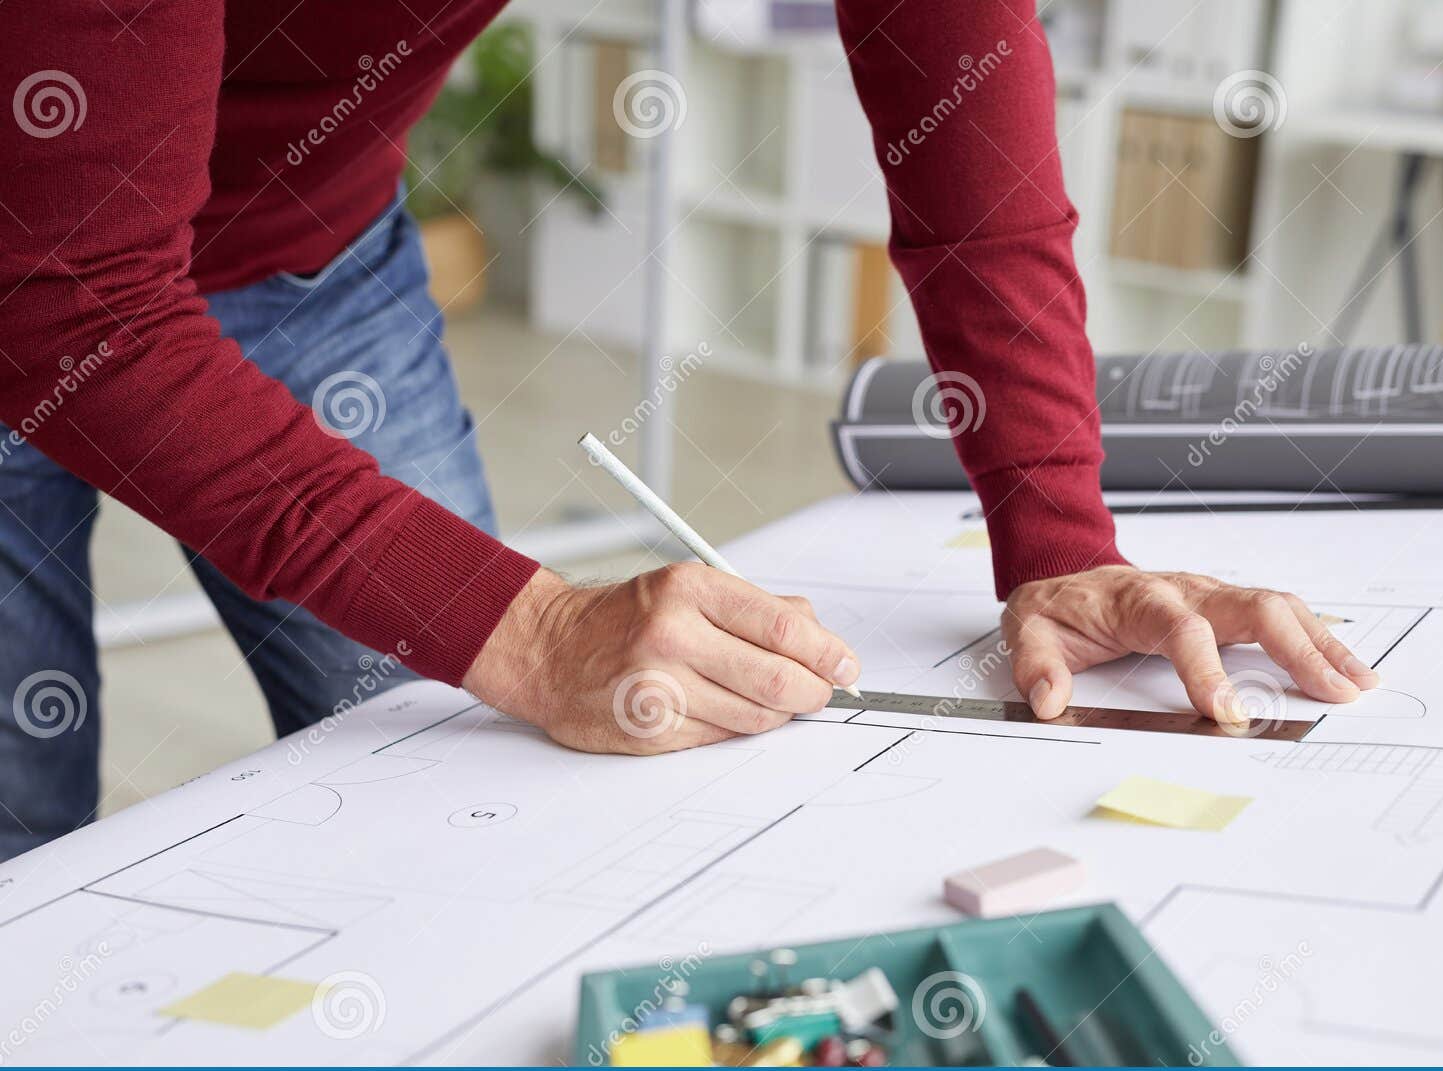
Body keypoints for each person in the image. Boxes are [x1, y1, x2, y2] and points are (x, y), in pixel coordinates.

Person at [0, 1, 1374, 860]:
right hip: (34, 258)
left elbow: (970, 147)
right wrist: (536, 630)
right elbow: (71, 301)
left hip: (301, 241)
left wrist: (1059, 540)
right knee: (23, 826)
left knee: (452, 785)